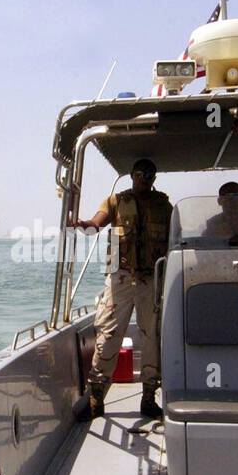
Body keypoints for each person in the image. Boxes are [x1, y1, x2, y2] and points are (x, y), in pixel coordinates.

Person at [70, 158, 172, 420]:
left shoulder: (164, 205)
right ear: (132, 175)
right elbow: (97, 224)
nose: (145, 178)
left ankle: (149, 397)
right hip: (121, 279)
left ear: (154, 178)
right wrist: (83, 225)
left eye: (150, 174)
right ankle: (96, 398)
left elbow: (176, 237)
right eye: (140, 173)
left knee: (152, 339)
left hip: (151, 281)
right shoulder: (115, 201)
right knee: (108, 335)